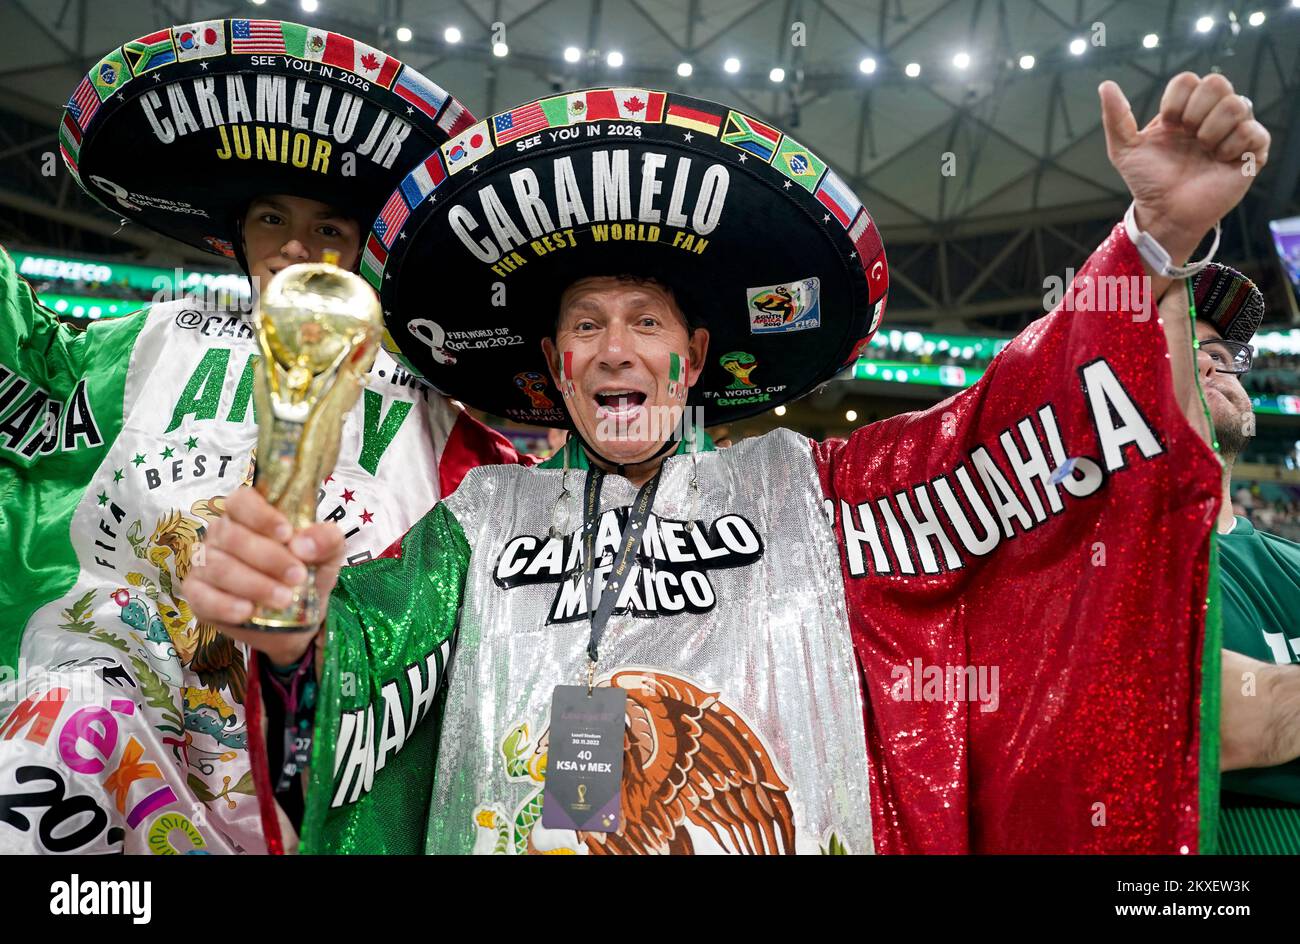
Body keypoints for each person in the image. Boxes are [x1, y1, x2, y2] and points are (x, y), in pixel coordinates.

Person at [188, 73, 1268, 853]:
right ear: (555, 368)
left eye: (645, 321)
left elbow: (1009, 434)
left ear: (692, 355)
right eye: (587, 325)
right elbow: (357, 686)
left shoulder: (816, 489)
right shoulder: (476, 521)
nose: (616, 347)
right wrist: (292, 636)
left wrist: (1152, 241)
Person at [0, 19, 514, 854]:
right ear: (239, 236)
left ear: (369, 254)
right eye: (272, 218)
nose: (296, 249)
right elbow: (30, 380)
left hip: (299, 781)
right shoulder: (157, 336)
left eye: (331, 230)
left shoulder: (436, 411)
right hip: (97, 745)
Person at [1166, 265, 1300, 853]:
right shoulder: (1081, 561)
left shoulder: (1292, 564)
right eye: (1182, 345)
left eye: (1221, 348)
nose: (1212, 360)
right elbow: (1207, 716)